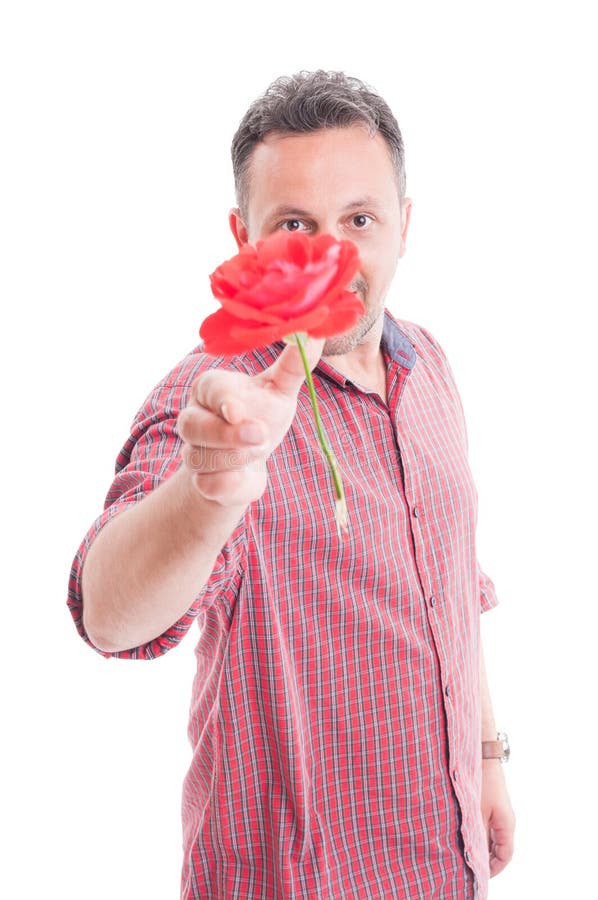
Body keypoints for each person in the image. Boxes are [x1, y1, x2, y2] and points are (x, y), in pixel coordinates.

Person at [68, 70, 515, 899]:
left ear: (404, 227)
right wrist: (208, 494)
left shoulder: (430, 365)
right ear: (244, 238)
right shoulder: (216, 402)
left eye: (360, 219)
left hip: (445, 867)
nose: (333, 255)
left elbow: (454, 583)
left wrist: (488, 758)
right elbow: (108, 612)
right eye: (296, 224)